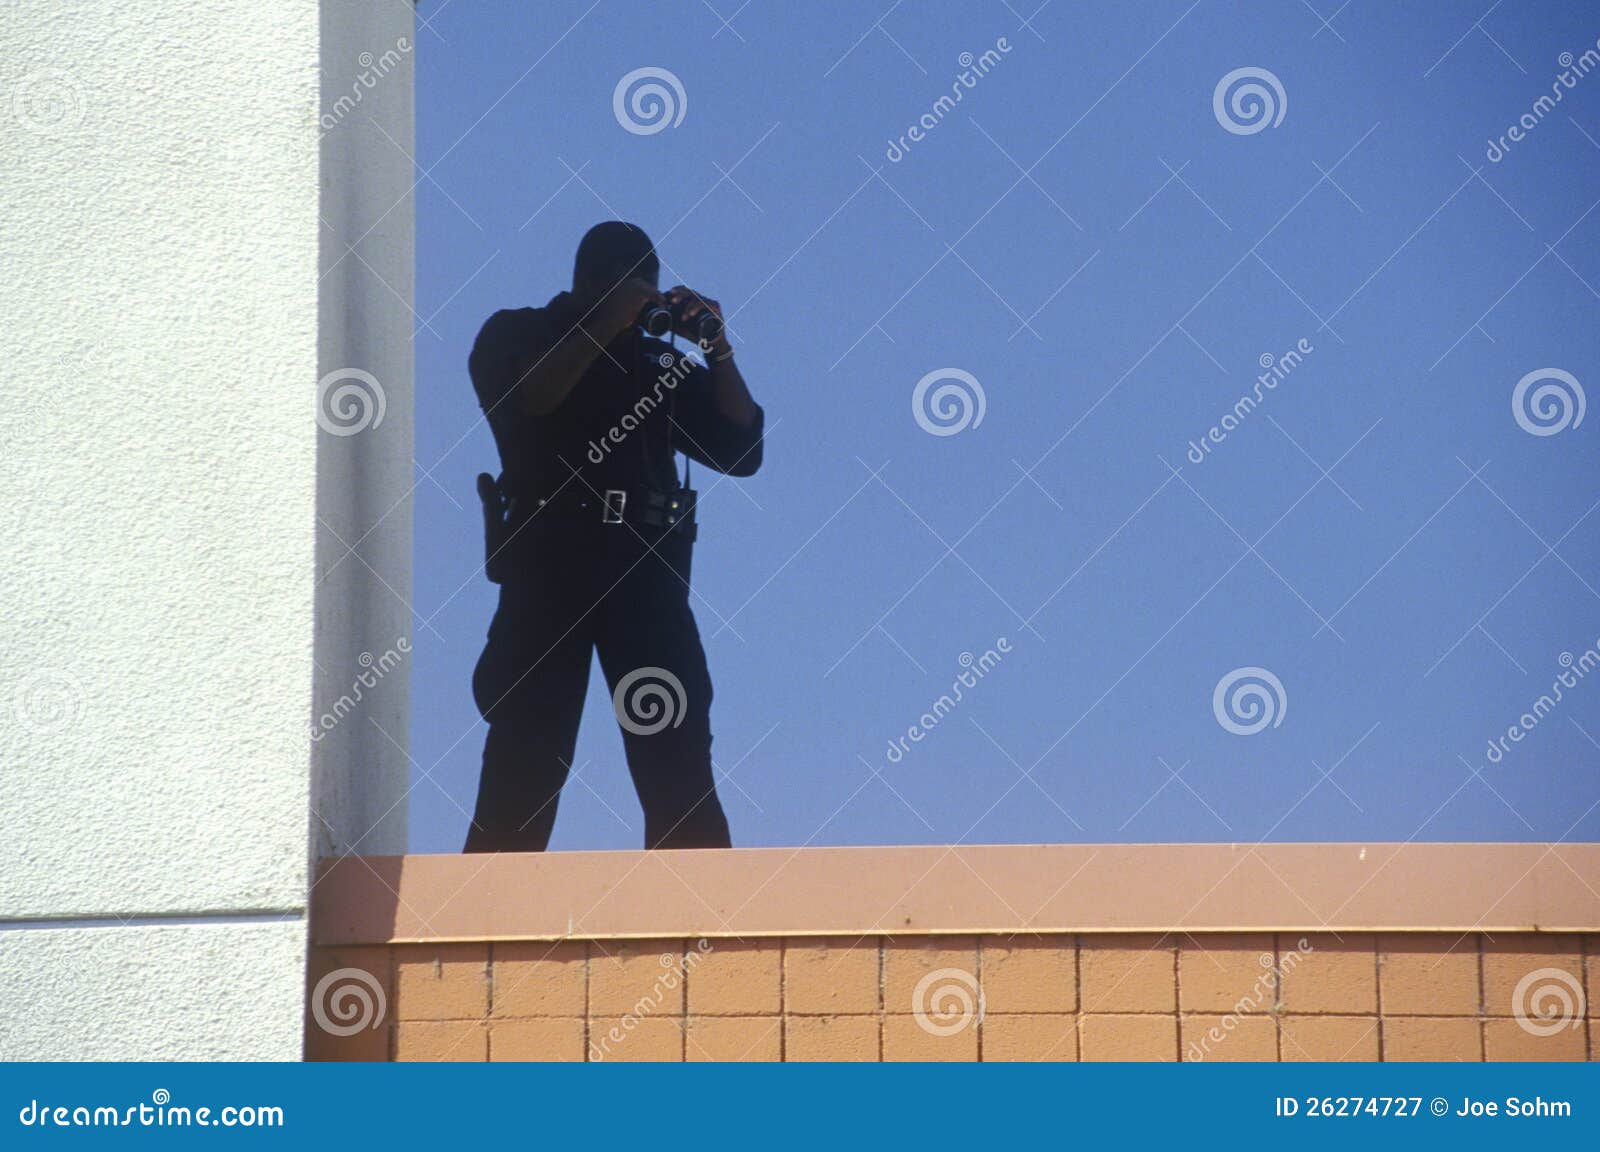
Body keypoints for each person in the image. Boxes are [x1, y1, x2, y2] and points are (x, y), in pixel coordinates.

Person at [462, 221, 763, 852]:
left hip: (644, 572)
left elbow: (741, 450)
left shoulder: (654, 361)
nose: (641, 304)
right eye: (631, 290)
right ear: (588, 287)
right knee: (527, 754)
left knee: (676, 755)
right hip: (550, 567)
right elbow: (534, 398)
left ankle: (699, 918)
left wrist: (718, 347)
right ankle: (489, 916)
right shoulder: (518, 333)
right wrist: (606, 325)